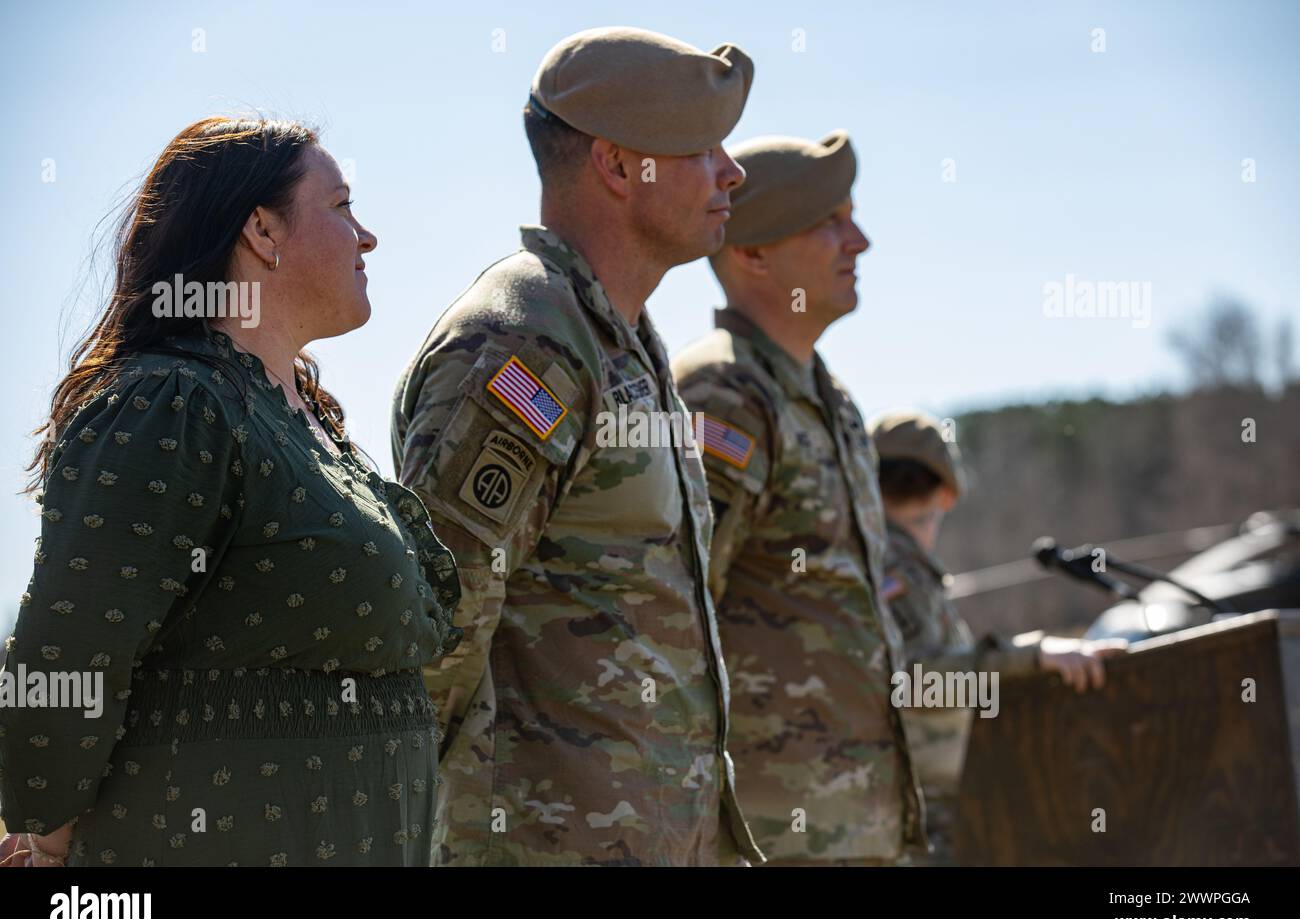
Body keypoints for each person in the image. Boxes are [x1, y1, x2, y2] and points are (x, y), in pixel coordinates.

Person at [0, 117, 461, 867]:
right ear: (262, 232)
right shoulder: (173, 404)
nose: (366, 237)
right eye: (342, 207)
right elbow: (71, 649)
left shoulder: (303, 420)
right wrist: (48, 841)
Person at [391, 27, 763, 866]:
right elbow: (432, 642)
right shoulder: (527, 344)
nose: (732, 172)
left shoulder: (621, 339)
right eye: (702, 148)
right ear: (621, 166)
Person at [671, 131, 926, 865]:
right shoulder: (723, 395)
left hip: (862, 819)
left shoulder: (830, 400)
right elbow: (681, 613)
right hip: (774, 828)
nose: (862, 241)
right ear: (752, 254)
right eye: (831, 222)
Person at [869, 408, 1124, 864]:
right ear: (946, 494)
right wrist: (1032, 659)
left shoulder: (878, 563)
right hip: (919, 814)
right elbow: (915, 683)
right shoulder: (893, 567)